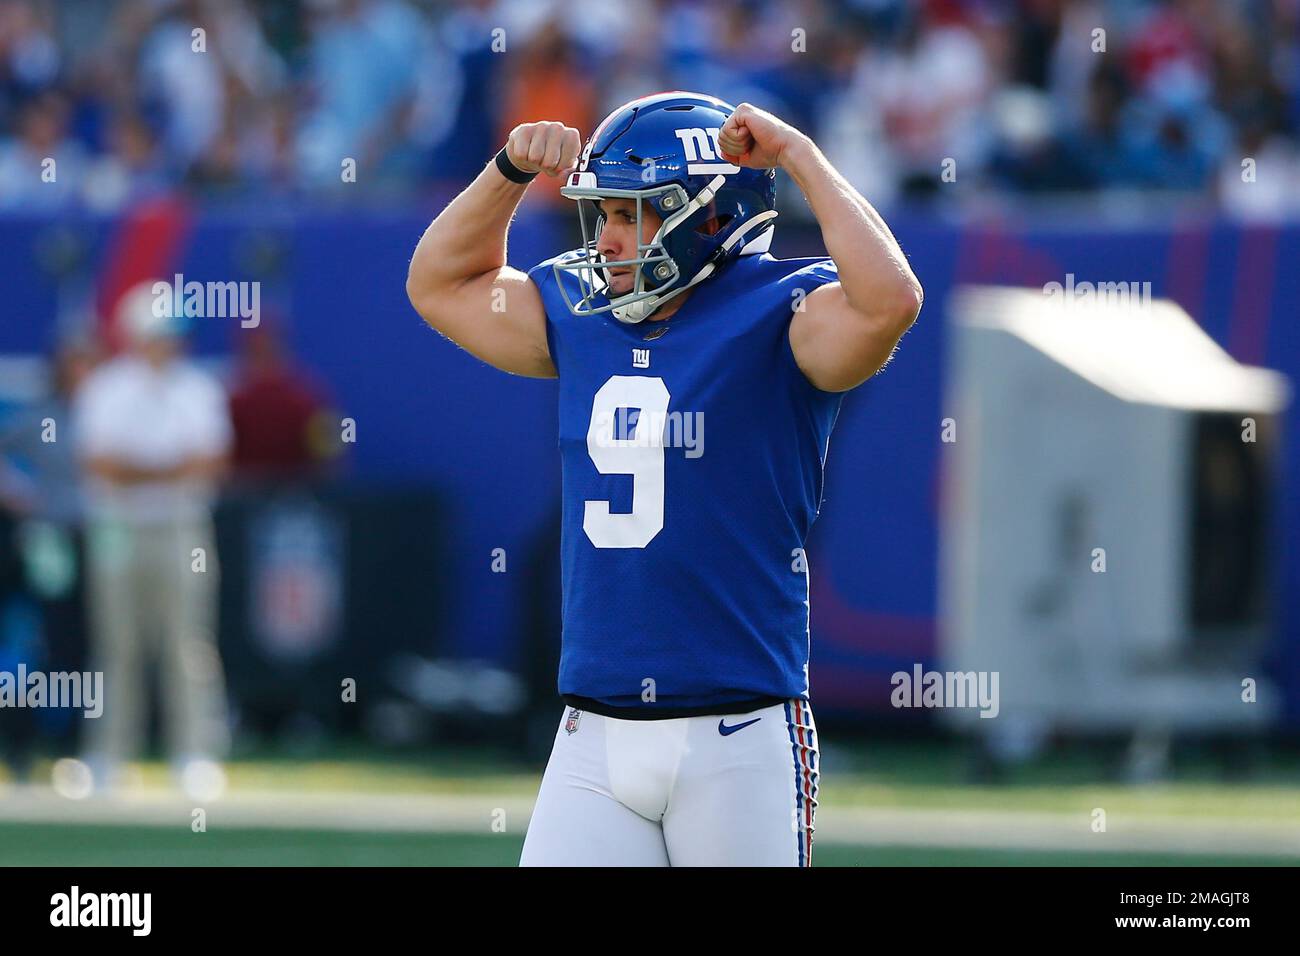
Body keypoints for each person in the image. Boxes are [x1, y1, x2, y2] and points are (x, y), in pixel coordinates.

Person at [406, 92, 922, 866]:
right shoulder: (580, 309)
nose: (607, 240)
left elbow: (890, 303)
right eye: (603, 213)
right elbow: (438, 284)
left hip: (738, 730)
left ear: (710, 215)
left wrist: (800, 159)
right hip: (592, 727)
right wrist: (509, 170)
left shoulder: (783, 312)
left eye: (630, 213)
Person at [72, 282, 232, 799]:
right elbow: (100, 465)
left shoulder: (199, 389)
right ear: (135, 335)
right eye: (160, 333)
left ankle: (195, 755)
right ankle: (107, 755)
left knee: (189, 641)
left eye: (176, 334)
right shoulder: (105, 389)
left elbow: (210, 462)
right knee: (115, 642)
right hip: (117, 528)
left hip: (183, 529)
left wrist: (139, 471)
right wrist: (167, 470)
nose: (170, 343)